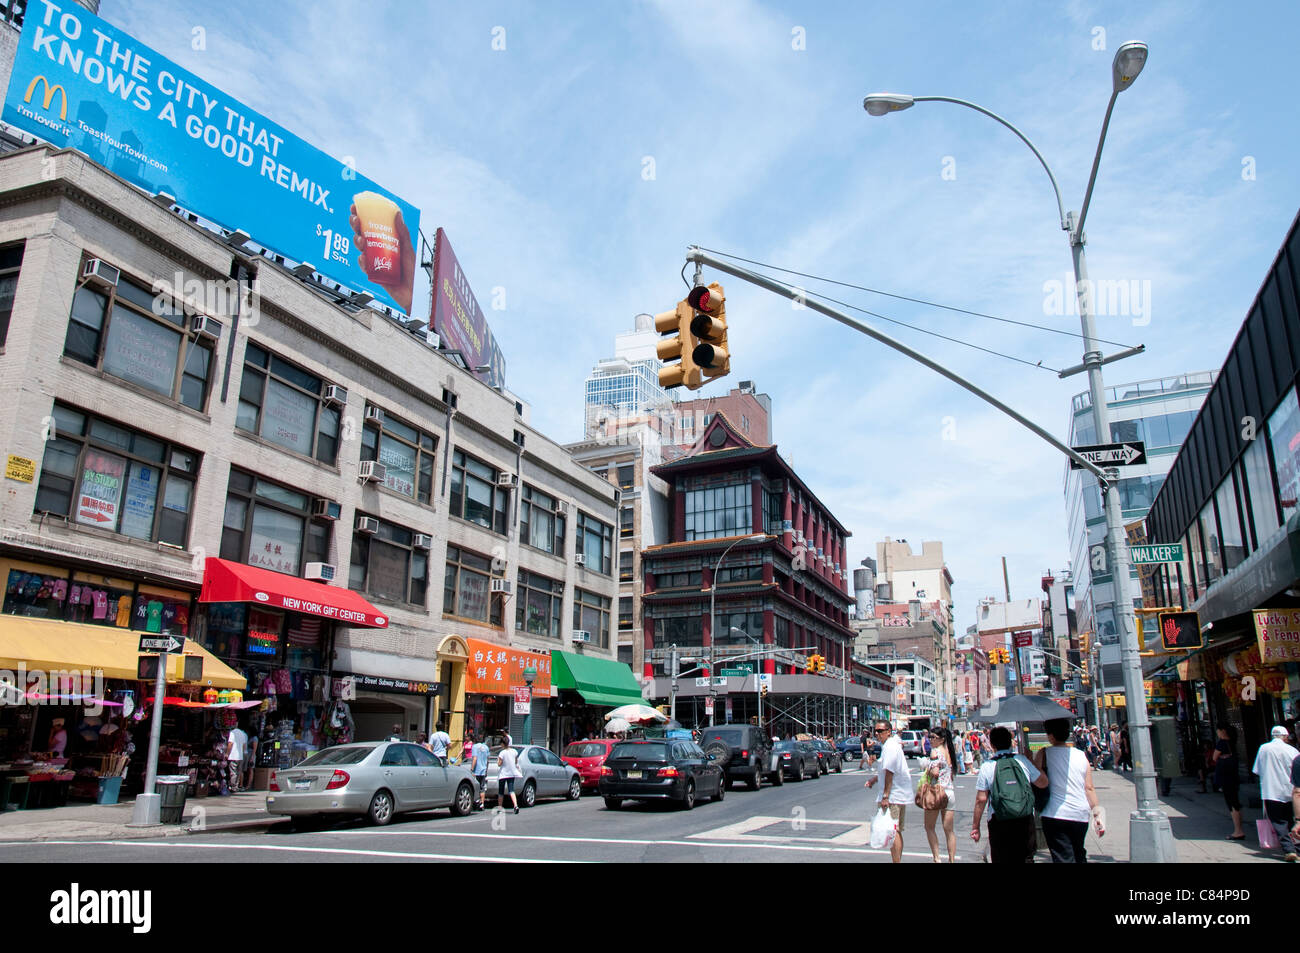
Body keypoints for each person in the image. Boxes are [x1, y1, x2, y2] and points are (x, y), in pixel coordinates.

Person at [970, 726, 1049, 863]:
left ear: (992, 744)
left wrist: (975, 826)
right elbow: (1043, 783)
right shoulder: (1022, 760)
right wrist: (1032, 761)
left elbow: (981, 799)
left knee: (1002, 858)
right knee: (1026, 858)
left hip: (998, 820)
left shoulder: (987, 766)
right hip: (1024, 818)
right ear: (1010, 741)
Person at [1034, 718, 1103, 862]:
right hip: (1080, 814)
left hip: (1055, 814)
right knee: (1078, 853)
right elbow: (1089, 788)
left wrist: (1030, 761)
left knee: (1062, 856)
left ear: (1051, 735)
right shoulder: (1080, 755)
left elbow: (1037, 781)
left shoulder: (1044, 753)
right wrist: (1097, 814)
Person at [864, 721, 910, 863]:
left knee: (892, 831)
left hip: (894, 796)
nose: (877, 733)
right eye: (875, 731)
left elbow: (890, 772)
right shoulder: (890, 746)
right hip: (898, 794)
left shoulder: (890, 747)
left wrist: (885, 796)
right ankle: (896, 860)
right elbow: (886, 770)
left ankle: (896, 861)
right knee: (896, 830)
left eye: (881, 731)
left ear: (889, 731)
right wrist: (874, 780)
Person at [1252, 725, 1300, 858]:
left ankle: (1289, 849)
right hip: (1291, 790)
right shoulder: (1293, 750)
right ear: (1285, 737)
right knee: (1294, 820)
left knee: (1279, 822)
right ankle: (1297, 846)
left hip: (1271, 791)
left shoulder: (1264, 749)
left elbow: (1257, 770)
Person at [922, 727, 958, 863]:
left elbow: (935, 772)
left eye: (933, 737)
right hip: (949, 792)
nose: (930, 740)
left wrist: (927, 769)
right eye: (929, 737)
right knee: (949, 830)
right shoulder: (949, 751)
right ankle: (952, 860)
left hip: (937, 792)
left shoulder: (935, 752)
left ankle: (937, 858)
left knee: (929, 827)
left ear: (941, 739)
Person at [1211, 726, 1245, 841]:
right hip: (1233, 776)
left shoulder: (1222, 743)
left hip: (1226, 777)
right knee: (1235, 802)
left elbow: (1214, 757)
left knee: (1231, 803)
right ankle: (1239, 829)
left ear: (1222, 731)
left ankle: (1238, 831)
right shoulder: (1232, 742)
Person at [497, 737, 522, 814]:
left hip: (503, 774)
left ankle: (500, 808)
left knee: (501, 791)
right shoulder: (514, 751)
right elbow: (516, 761)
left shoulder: (502, 753)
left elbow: (499, 764)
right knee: (511, 790)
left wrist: (498, 761)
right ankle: (515, 805)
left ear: (503, 744)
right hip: (511, 773)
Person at [226, 723, 248, 795]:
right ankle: (236, 785)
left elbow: (230, 744)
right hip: (240, 756)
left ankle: (233, 787)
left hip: (233, 756)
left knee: (233, 772)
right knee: (238, 771)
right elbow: (244, 745)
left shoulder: (232, 733)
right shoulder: (242, 733)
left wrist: (227, 753)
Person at [471, 734, 491, 810]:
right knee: (482, 788)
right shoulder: (486, 748)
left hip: (476, 771)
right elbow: (488, 760)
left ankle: (476, 802)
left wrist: (472, 769)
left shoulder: (475, 747)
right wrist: (486, 769)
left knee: (475, 787)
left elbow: (475, 759)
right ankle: (482, 804)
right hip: (483, 770)